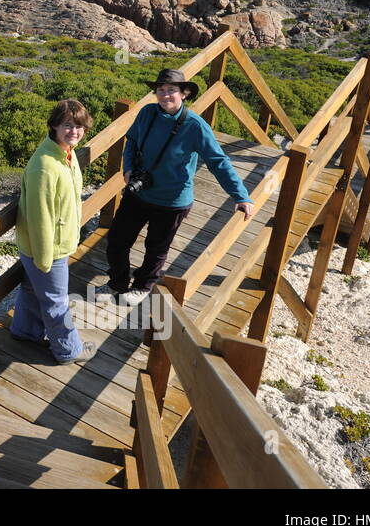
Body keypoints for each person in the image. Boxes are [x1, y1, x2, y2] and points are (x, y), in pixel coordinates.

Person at [97, 69, 256, 306]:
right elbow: (131, 140)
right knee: (118, 240)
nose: (164, 95)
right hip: (139, 190)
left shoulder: (195, 126)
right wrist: (128, 168)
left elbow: (218, 162)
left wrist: (241, 196)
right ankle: (117, 282)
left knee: (156, 248)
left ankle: (142, 286)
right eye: (160, 90)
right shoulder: (147, 112)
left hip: (172, 200)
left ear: (184, 93)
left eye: (171, 90)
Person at [13, 99, 97, 364]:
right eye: (68, 125)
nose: (74, 131)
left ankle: (25, 331)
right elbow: (40, 217)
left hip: (49, 246)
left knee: (30, 288)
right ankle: (67, 350)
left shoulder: (65, 153)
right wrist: (44, 259)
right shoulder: (45, 165)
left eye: (79, 126)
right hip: (48, 249)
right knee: (56, 301)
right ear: (54, 126)